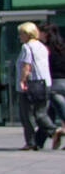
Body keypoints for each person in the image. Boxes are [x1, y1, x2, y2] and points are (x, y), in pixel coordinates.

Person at [15, 22, 55, 151]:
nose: (19, 36)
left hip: (31, 84)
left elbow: (26, 66)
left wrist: (22, 81)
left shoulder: (27, 47)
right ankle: (53, 131)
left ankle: (34, 140)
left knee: (27, 115)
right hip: (45, 83)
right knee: (41, 112)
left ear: (27, 34)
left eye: (21, 34)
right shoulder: (42, 47)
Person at [41, 23, 65, 147]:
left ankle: (57, 132)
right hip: (63, 80)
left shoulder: (45, 48)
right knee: (50, 112)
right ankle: (38, 140)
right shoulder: (62, 45)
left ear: (46, 34)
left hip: (54, 82)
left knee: (61, 111)